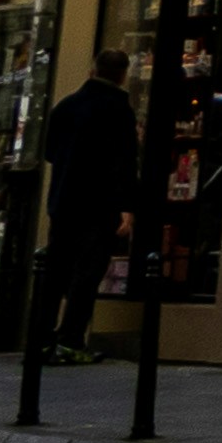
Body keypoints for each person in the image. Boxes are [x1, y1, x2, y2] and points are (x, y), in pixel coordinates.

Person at [27, 62, 139, 362]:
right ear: (123, 75)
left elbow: (50, 152)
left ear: (91, 71)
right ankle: (71, 340)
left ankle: (40, 338)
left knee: (54, 270)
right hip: (100, 205)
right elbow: (128, 161)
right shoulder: (119, 111)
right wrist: (127, 206)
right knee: (86, 273)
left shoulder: (66, 106)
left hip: (63, 201)